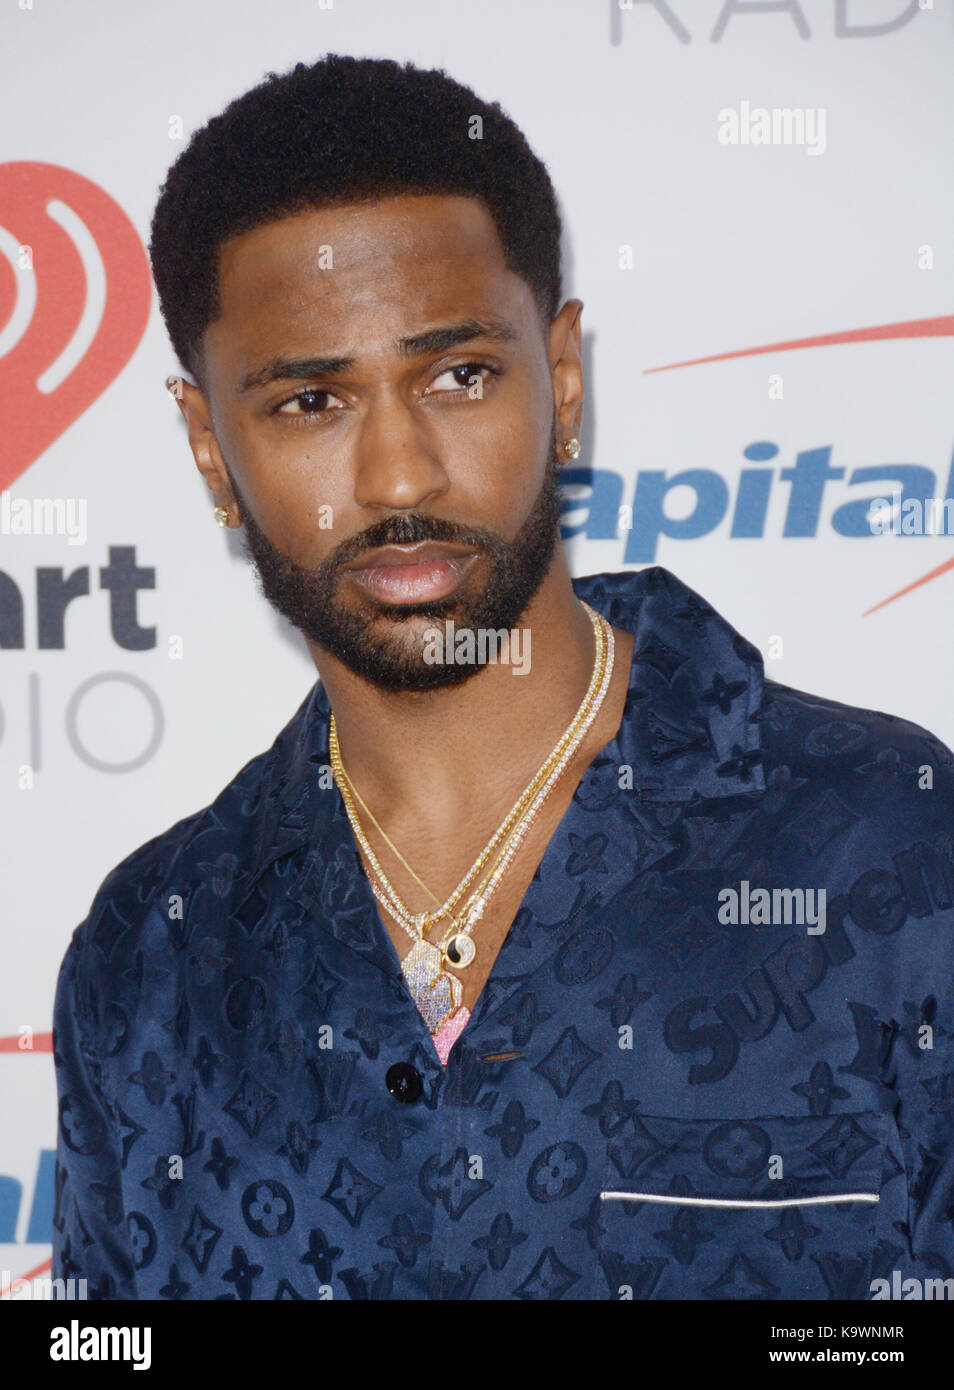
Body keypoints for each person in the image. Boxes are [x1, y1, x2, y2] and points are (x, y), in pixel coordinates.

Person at [51, 53, 954, 1301]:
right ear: (211, 448)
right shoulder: (152, 953)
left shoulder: (894, 850)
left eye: (458, 375)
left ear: (563, 380)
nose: (401, 475)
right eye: (311, 399)